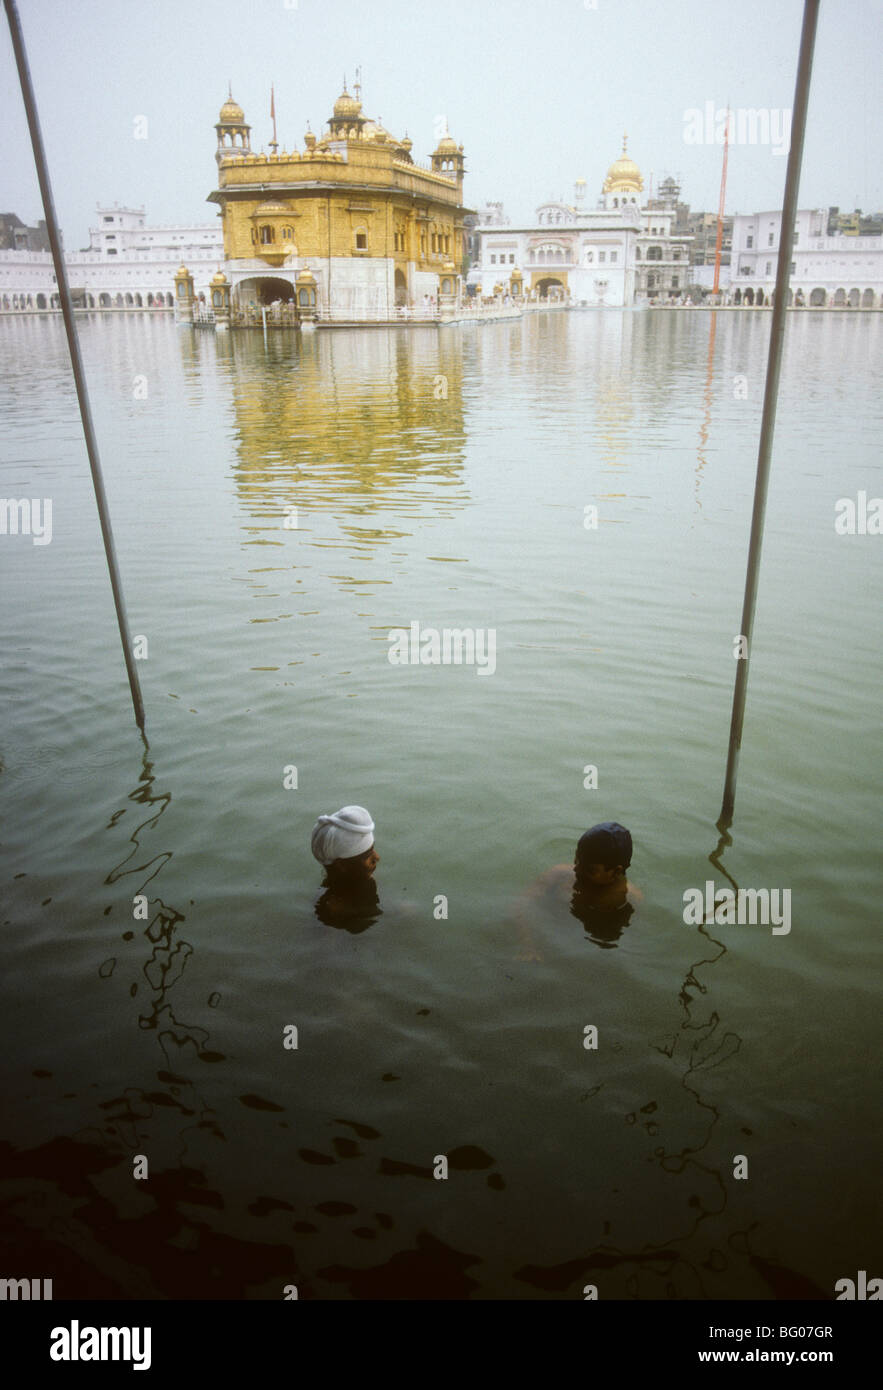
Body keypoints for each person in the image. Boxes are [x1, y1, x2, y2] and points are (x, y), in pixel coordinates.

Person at [514, 821, 641, 957]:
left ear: (616, 872)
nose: (576, 869)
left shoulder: (629, 898)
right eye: (577, 859)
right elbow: (520, 904)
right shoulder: (560, 874)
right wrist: (526, 943)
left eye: (590, 870)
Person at [310, 805, 381, 931]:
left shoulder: (362, 880)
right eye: (368, 855)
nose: (377, 857)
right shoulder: (335, 910)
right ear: (341, 865)